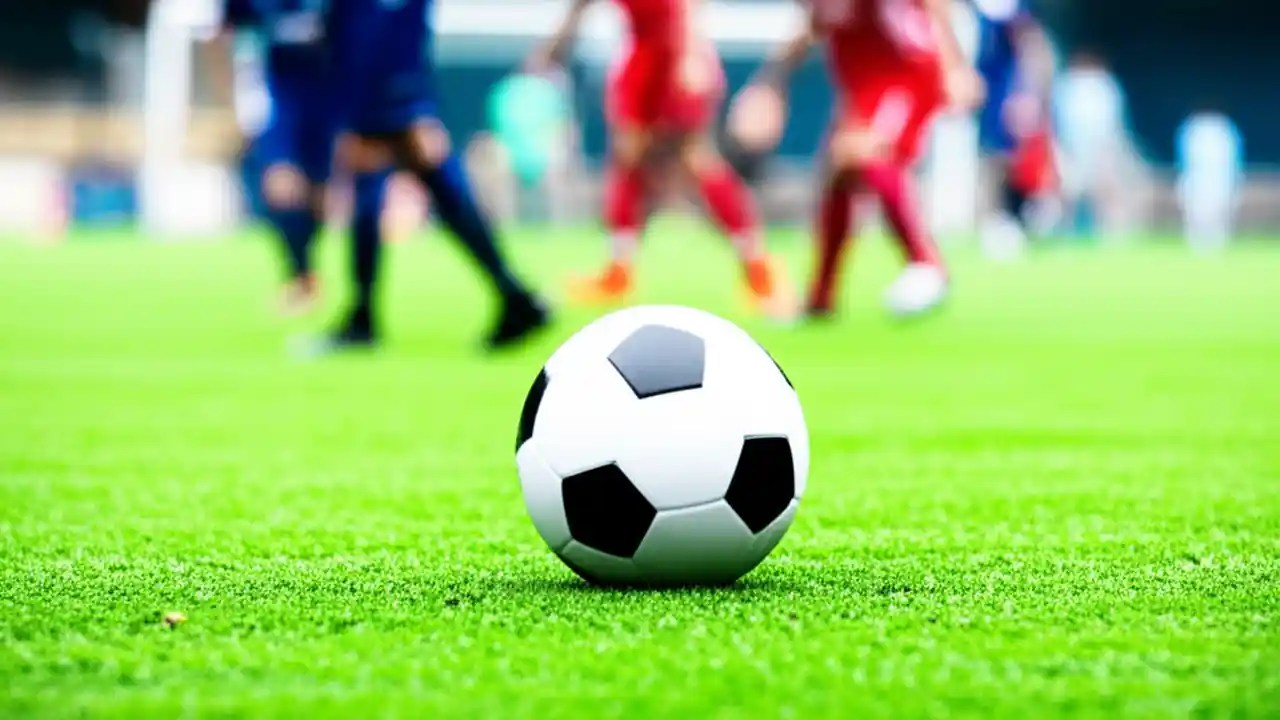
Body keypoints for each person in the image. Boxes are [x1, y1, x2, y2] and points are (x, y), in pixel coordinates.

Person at [526, 0, 793, 315]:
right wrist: (555, 47)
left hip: (671, 55)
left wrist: (691, 53)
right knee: (632, 159)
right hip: (644, 57)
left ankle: (756, 268)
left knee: (693, 157)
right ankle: (619, 271)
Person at [731, 0, 983, 318]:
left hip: (906, 75)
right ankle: (821, 300)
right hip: (864, 88)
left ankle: (927, 264)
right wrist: (768, 85)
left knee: (861, 155)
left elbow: (933, 6)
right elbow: (809, 31)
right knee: (839, 173)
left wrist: (954, 67)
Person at [323, 0, 549, 349]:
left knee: (388, 191)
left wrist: (405, 106)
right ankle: (515, 296)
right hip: (387, 93)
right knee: (438, 190)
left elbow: (385, 27)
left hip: (386, 96)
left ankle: (362, 319)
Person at [202, 0, 387, 316]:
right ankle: (300, 277)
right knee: (280, 184)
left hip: (329, 100)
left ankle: (306, 275)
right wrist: (229, 100)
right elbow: (221, 33)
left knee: (319, 195)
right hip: (280, 102)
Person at [971, 0, 1057, 258]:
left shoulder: (1014, 10)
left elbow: (1032, 47)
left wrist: (1028, 93)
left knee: (1008, 159)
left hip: (1008, 92)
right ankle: (1000, 222)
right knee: (993, 157)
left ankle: (1014, 220)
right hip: (986, 90)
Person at [1176, 108, 1243, 254]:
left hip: (1220, 179)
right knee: (1196, 213)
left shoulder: (1224, 129)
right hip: (1197, 178)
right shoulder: (1194, 128)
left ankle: (1217, 247)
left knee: (1219, 213)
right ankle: (1197, 248)